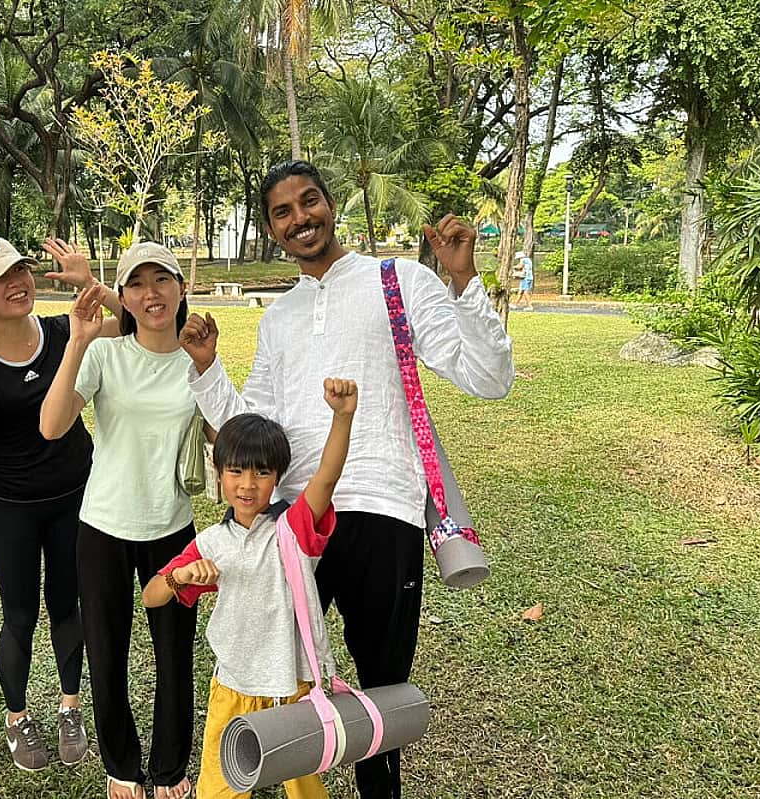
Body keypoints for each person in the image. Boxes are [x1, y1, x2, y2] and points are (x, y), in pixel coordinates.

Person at [178, 160, 514, 799]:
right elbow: (254, 427)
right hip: (297, 522)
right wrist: (207, 368)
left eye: (309, 202)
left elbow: (489, 378)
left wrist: (465, 279)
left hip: (384, 509)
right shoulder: (281, 316)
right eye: (283, 211)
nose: (300, 218)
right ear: (271, 228)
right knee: (278, 679)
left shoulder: (400, 280)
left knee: (381, 690)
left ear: (331, 206)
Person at [0, 235, 123, 772]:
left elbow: (144, 323)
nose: (18, 283)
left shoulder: (63, 329)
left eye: (21, 271)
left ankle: (70, 706)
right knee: (19, 615)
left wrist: (91, 285)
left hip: (75, 495)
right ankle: (17, 718)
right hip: (9, 504)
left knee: (66, 606)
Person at [142, 378, 359, 799]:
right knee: (219, 790)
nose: (247, 484)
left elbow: (327, 479)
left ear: (277, 477)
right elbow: (152, 595)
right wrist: (180, 577)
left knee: (305, 788)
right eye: (236, 471)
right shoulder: (209, 543)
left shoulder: (292, 529)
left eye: (262, 472)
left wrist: (342, 416)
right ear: (219, 472)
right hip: (234, 686)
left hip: (293, 686)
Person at [40, 242, 198, 799]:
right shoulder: (106, 354)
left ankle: (171, 766)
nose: (150, 294)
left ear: (182, 287)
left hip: (173, 526)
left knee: (175, 652)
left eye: (162, 281)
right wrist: (78, 342)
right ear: (124, 297)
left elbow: (226, 439)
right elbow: (53, 426)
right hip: (104, 525)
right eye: (137, 284)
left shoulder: (196, 362)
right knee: (107, 651)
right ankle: (121, 765)